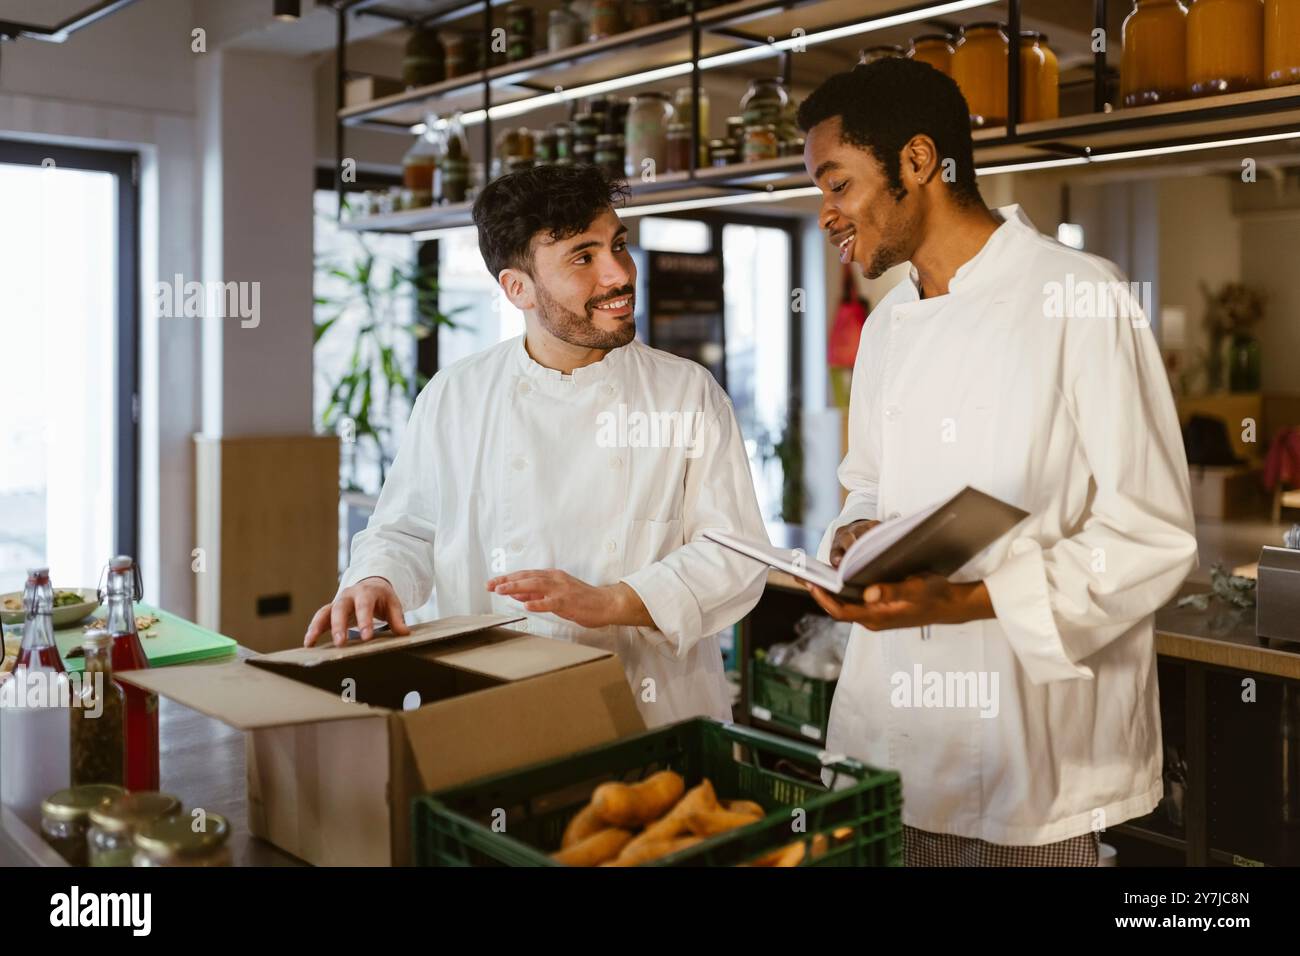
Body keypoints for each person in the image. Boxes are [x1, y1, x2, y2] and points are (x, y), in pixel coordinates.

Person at [799, 59, 1197, 865]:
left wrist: (971, 600)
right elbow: (864, 480)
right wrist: (855, 533)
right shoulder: (886, 328)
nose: (825, 214)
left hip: (1031, 758)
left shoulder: (1080, 296)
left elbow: (1151, 535)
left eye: (836, 184)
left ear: (917, 162)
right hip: (895, 738)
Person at [304, 164, 768, 728]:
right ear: (516, 288)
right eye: (583, 257)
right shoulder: (456, 394)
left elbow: (736, 553)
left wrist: (614, 601)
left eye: (618, 245)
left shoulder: (686, 394)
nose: (619, 274)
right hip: (492, 708)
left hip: (646, 713)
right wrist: (376, 578)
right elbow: (406, 529)